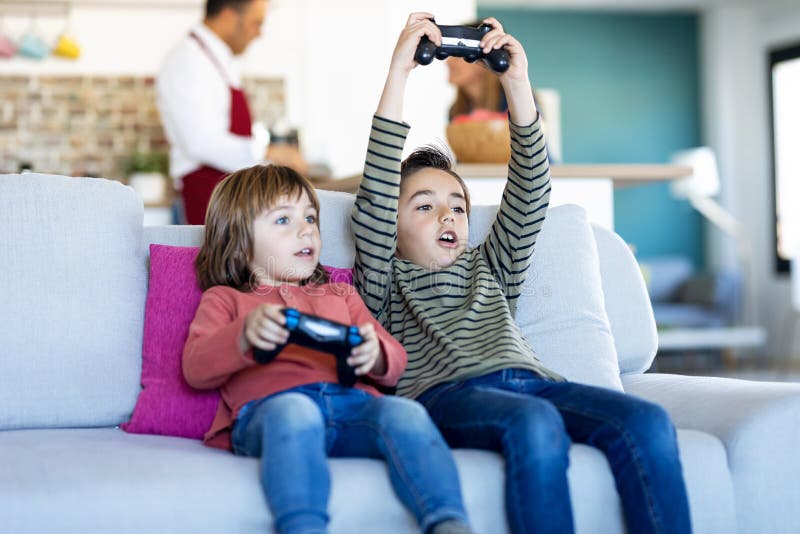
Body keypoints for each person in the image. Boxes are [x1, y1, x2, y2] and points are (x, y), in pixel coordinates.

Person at [352, 13, 692, 534]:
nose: (447, 216)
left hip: (534, 383)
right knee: (533, 423)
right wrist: (399, 71)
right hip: (446, 394)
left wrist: (516, 82)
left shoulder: (490, 264)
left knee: (647, 421)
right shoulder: (383, 278)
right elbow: (376, 193)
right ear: (390, 226)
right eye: (423, 206)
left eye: (457, 206)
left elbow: (532, 188)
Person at [182, 164, 473, 534]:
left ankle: (448, 520)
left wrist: (375, 355)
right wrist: (243, 335)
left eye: (310, 218)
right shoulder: (225, 299)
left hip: (351, 408)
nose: (306, 229)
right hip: (271, 412)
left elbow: (396, 361)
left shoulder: (340, 294)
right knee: (295, 411)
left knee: (404, 413)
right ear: (238, 241)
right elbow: (196, 367)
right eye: (284, 220)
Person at [157, 0, 305, 225]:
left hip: (229, 198)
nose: (259, 33)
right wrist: (268, 152)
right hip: (208, 199)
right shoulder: (188, 61)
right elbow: (200, 142)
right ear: (228, 16)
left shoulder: (217, 60)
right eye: (256, 23)